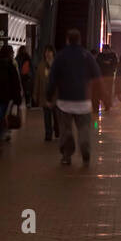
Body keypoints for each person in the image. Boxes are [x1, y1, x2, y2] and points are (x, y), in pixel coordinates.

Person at [47, 29, 102, 165]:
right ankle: (85, 149)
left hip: (64, 101)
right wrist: (100, 97)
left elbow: (52, 78)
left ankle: (66, 155)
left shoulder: (60, 56)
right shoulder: (87, 55)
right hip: (84, 101)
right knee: (84, 128)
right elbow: (97, 76)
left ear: (67, 40)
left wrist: (49, 96)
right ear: (79, 40)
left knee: (66, 130)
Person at [0, 44, 23, 142]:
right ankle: (6, 132)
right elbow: (16, 81)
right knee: (7, 114)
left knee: (0, 114)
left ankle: (0, 132)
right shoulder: (11, 65)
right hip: (9, 95)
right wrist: (18, 96)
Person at [33, 45, 57, 141]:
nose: (47, 53)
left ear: (53, 53)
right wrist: (35, 93)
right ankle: (48, 134)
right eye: (46, 51)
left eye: (49, 51)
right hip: (44, 94)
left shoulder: (57, 64)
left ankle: (57, 128)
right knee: (46, 116)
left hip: (56, 94)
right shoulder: (41, 65)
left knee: (56, 116)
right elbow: (37, 81)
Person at [96, 44, 119, 115]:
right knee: (103, 91)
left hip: (109, 76)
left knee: (108, 90)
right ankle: (107, 103)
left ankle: (107, 104)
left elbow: (115, 64)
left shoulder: (112, 55)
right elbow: (97, 64)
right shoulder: (100, 56)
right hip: (102, 76)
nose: (105, 51)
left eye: (106, 49)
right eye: (104, 49)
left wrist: (112, 68)